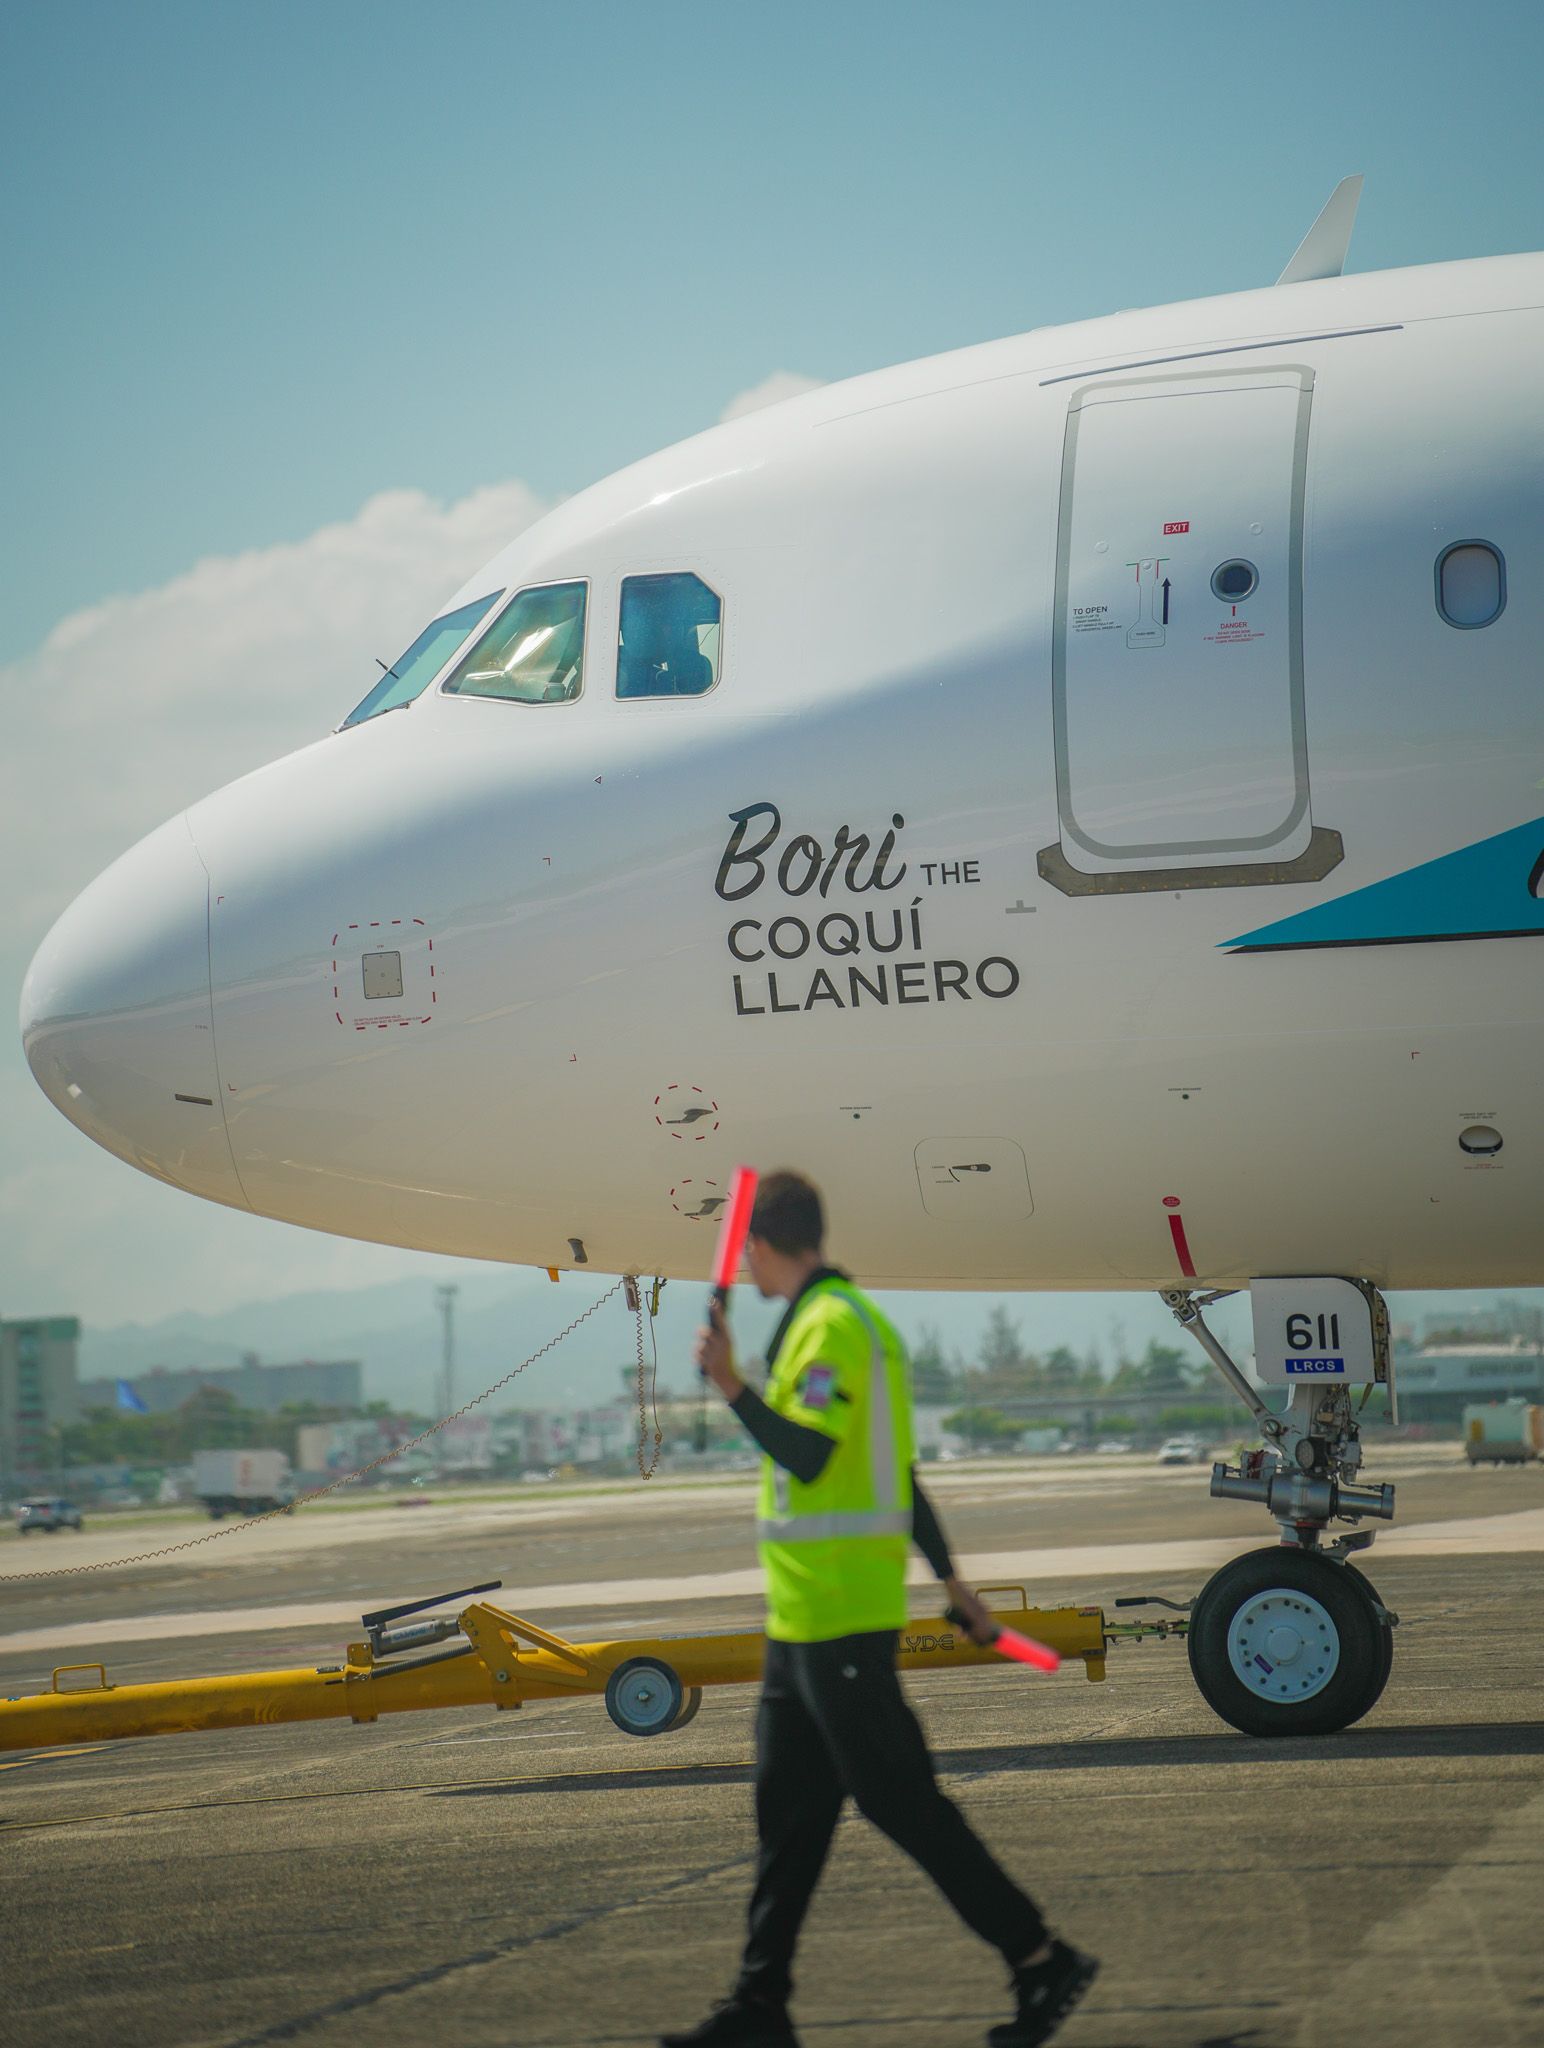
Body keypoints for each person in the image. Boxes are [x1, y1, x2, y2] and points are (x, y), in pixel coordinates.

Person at [661, 1170, 1097, 2048]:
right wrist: (951, 1578)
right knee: (787, 1817)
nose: (741, 1263)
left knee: (901, 1802)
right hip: (800, 1623)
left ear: (763, 1244)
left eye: (745, 1246)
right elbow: (893, 1472)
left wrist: (732, 1387)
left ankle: (1040, 1959)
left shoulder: (834, 1329)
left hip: (843, 1618)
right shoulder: (818, 1328)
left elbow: (816, 1457)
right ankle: (759, 2008)